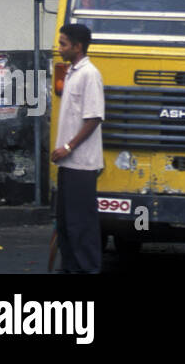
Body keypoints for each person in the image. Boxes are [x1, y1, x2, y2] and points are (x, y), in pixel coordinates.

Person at [52, 23, 105, 273]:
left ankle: (87, 269)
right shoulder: (71, 72)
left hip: (81, 163)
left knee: (81, 226)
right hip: (68, 162)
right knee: (65, 224)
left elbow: (93, 118)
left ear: (77, 46)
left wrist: (68, 146)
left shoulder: (89, 74)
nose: (59, 48)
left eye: (63, 44)